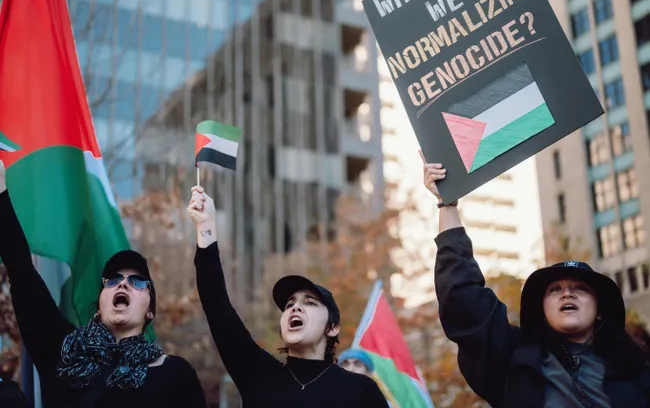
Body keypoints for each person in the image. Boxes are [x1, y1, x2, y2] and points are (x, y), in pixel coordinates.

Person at [420, 151, 650, 407]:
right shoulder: (512, 359)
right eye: (555, 290)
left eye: (580, 288)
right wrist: (447, 204)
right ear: (541, 308)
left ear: (599, 310)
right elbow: (464, 301)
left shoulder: (635, 369)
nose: (567, 294)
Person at [0, 160, 207, 407]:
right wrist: (1, 189)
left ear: (150, 311)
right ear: (99, 305)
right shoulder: (66, 353)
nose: (123, 284)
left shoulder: (175, 374)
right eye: (113, 280)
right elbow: (22, 271)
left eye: (138, 282)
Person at [188, 185, 389, 407]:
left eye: (310, 302)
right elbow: (216, 305)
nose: (295, 308)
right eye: (289, 304)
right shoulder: (258, 375)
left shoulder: (361, 389)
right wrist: (206, 226)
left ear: (332, 328)